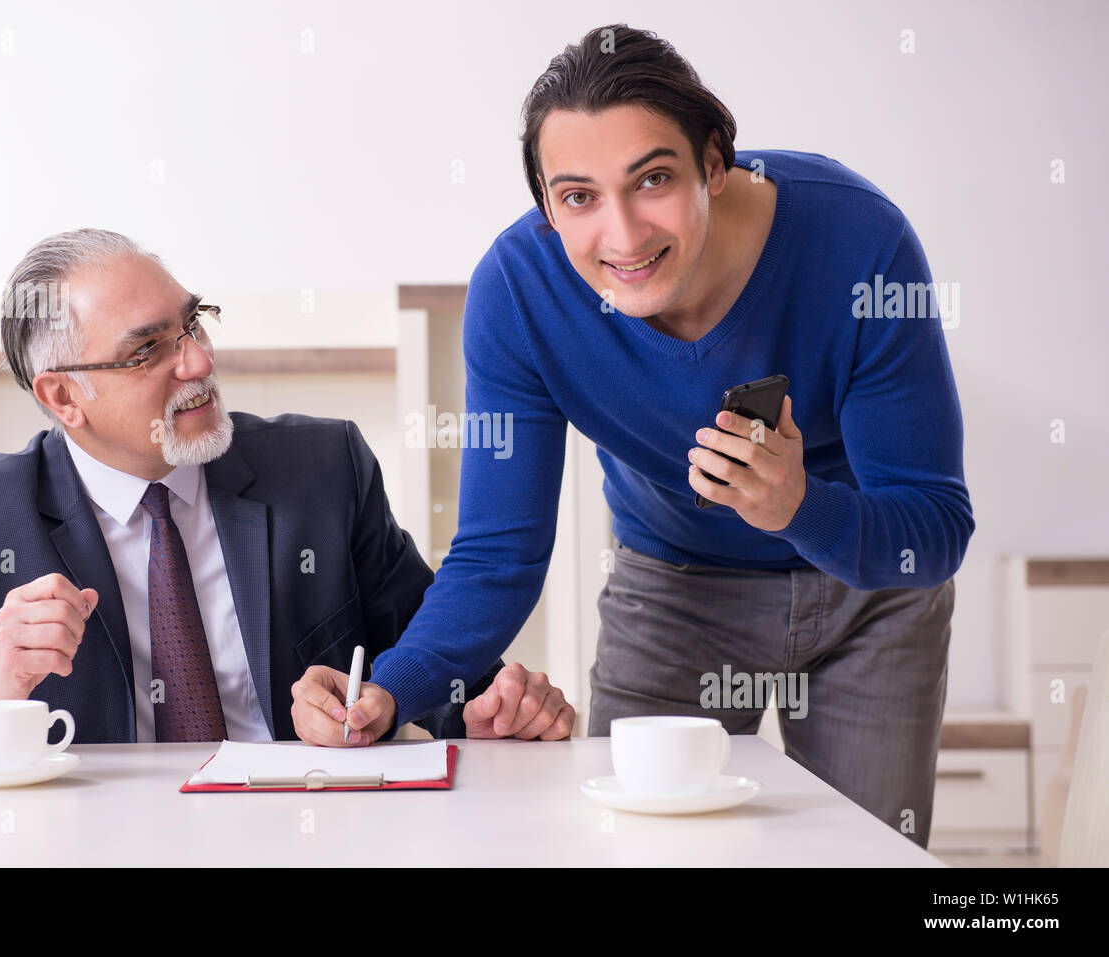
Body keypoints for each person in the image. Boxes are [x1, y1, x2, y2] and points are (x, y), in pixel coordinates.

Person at [345, 25, 974, 847]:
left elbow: (933, 531)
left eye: (653, 180)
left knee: (861, 853)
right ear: (545, 206)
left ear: (714, 163)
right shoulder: (521, 293)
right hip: (673, 594)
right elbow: (497, 557)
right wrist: (385, 693)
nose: (626, 235)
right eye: (578, 197)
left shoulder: (861, 243)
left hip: (871, 596)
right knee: (648, 851)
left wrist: (799, 506)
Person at [0, 229, 574, 753]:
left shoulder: (321, 466)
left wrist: (495, 706)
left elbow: (440, 666)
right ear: (64, 398)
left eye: (192, 324)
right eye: (148, 348)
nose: (197, 362)